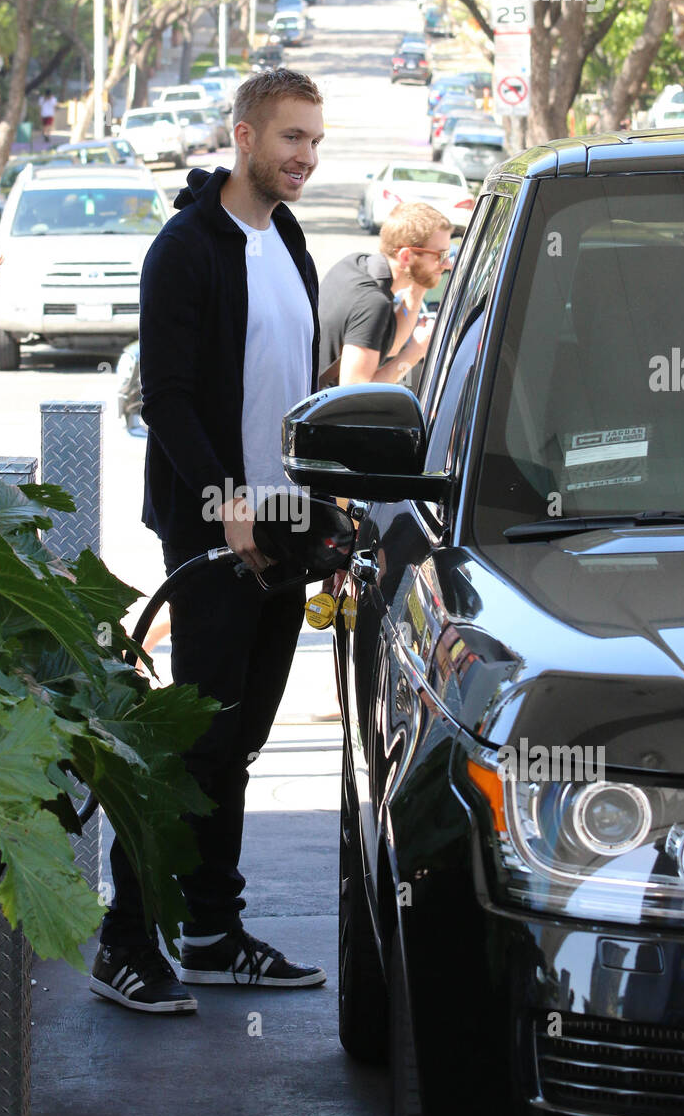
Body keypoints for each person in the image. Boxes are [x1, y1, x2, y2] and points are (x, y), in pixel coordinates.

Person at [91, 68, 327, 1014]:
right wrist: (227, 498)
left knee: (236, 743)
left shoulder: (289, 236)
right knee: (195, 740)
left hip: (283, 525)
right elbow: (171, 397)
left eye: (313, 141)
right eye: (289, 140)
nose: (304, 158)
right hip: (213, 527)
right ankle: (123, 940)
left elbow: (295, 387)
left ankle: (211, 932)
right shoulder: (185, 248)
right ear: (242, 136)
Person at [317, 201, 452, 387]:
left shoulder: (356, 264)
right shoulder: (373, 302)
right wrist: (415, 352)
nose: (447, 265)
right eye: (440, 255)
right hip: (321, 413)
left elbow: (389, 347)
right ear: (405, 256)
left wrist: (418, 290)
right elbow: (354, 392)